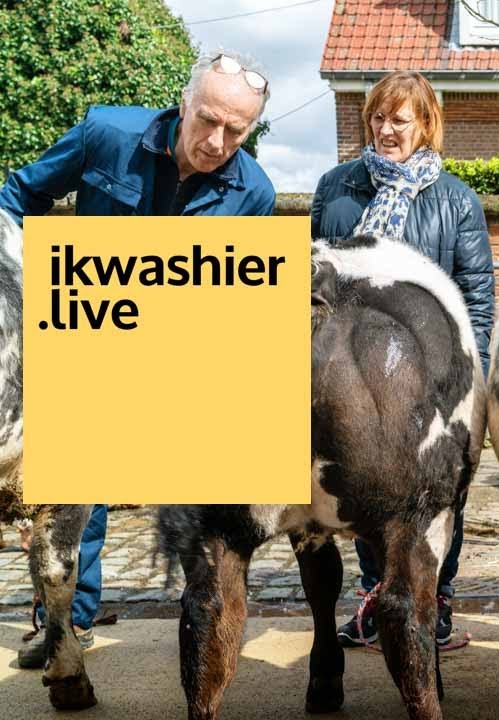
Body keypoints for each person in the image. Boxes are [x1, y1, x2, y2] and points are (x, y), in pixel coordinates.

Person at [2, 50, 275, 669]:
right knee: (75, 494)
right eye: (207, 120)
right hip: (90, 329)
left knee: (198, 495)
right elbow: (19, 196)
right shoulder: (105, 133)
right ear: (184, 103)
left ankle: (202, 615)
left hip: (178, 344)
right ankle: (66, 625)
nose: (216, 140)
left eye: (236, 131)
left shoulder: (253, 190)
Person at [311, 70, 494, 650]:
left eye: (399, 119)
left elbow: (476, 296)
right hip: (353, 377)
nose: (385, 130)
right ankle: (374, 599)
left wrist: (469, 381)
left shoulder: (455, 200)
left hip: (433, 378)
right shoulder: (336, 188)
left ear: (426, 124)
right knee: (364, 492)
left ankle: (431, 602)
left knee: (440, 497)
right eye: (377, 118)